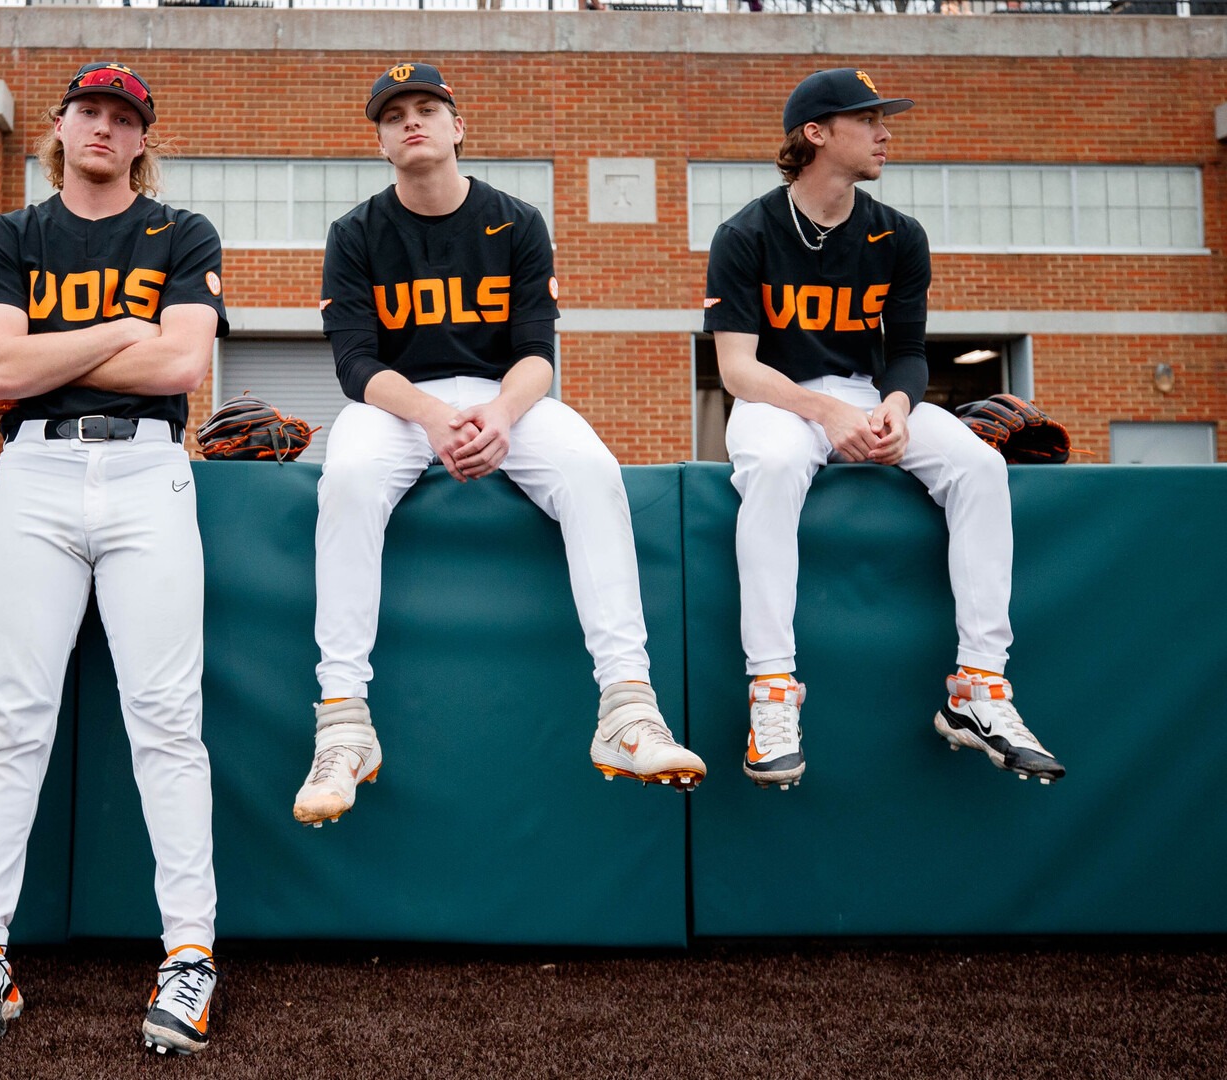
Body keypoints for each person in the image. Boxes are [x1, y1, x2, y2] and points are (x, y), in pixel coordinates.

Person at [293, 62, 706, 830]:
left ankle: (627, 707)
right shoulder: (356, 232)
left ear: (458, 126)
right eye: (394, 116)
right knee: (346, 475)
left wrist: (502, 415)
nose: (411, 121)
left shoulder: (515, 219)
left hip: (505, 395)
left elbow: (536, 351)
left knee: (590, 466)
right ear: (381, 141)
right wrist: (431, 419)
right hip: (399, 405)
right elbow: (356, 365)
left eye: (426, 108)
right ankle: (343, 723)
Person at [0, 62, 223, 1058]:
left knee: (167, 722)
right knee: (11, 721)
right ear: (60, 127)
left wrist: (41, 352)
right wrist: (114, 330)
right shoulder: (9, 234)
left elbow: (183, 365)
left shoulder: (182, 232)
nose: (105, 126)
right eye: (89, 111)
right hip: (35, 477)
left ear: (143, 138)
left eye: (124, 116)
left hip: (150, 474)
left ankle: (190, 954)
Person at [702, 68, 1065, 790]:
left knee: (980, 466)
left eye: (883, 119)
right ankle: (772, 692)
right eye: (867, 119)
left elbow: (905, 355)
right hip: (778, 401)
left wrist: (896, 408)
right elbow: (737, 370)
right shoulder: (745, 232)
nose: (885, 131)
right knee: (773, 470)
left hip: (869, 398)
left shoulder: (899, 234)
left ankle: (980, 690)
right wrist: (831, 415)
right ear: (815, 133)